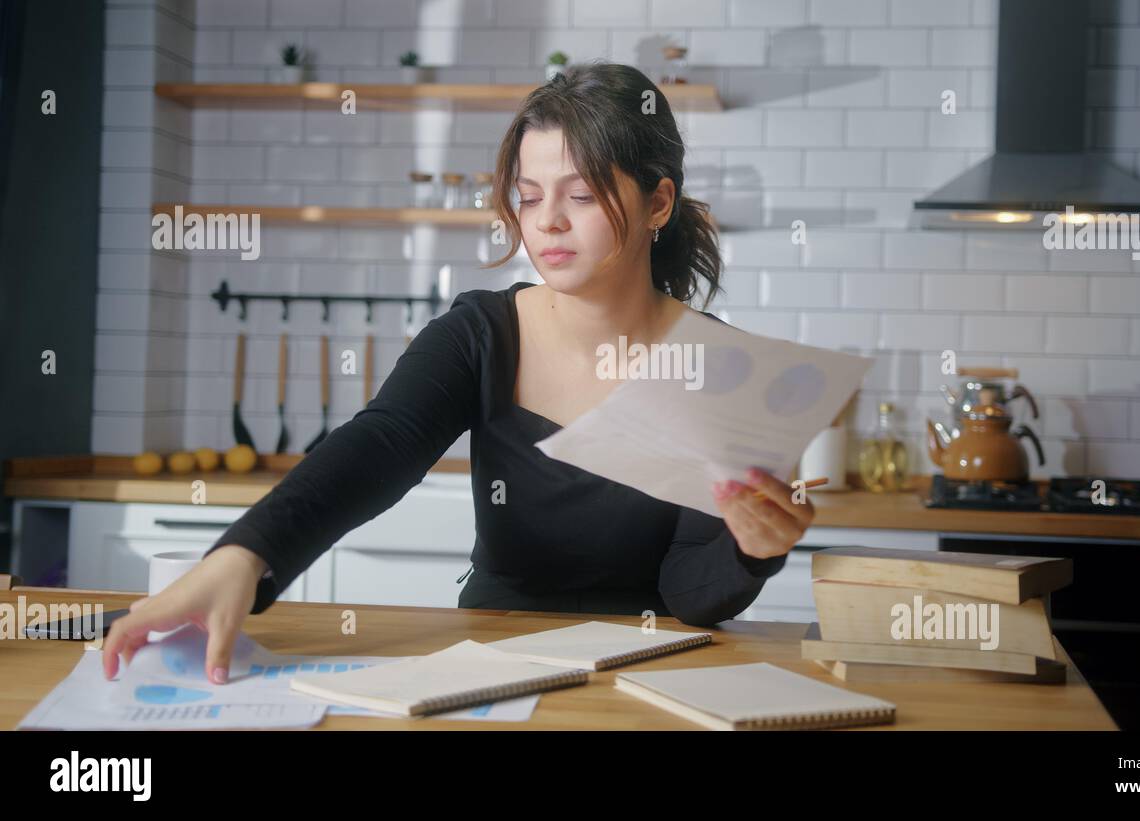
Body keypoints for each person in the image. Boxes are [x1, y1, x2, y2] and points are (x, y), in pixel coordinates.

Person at [102, 63, 816, 686]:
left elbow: (688, 589)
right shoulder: (479, 332)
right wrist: (245, 555)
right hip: (495, 661)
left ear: (657, 202)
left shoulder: (719, 371)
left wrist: (750, 551)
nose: (547, 224)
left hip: (652, 668)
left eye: (580, 193)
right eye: (529, 196)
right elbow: (379, 445)